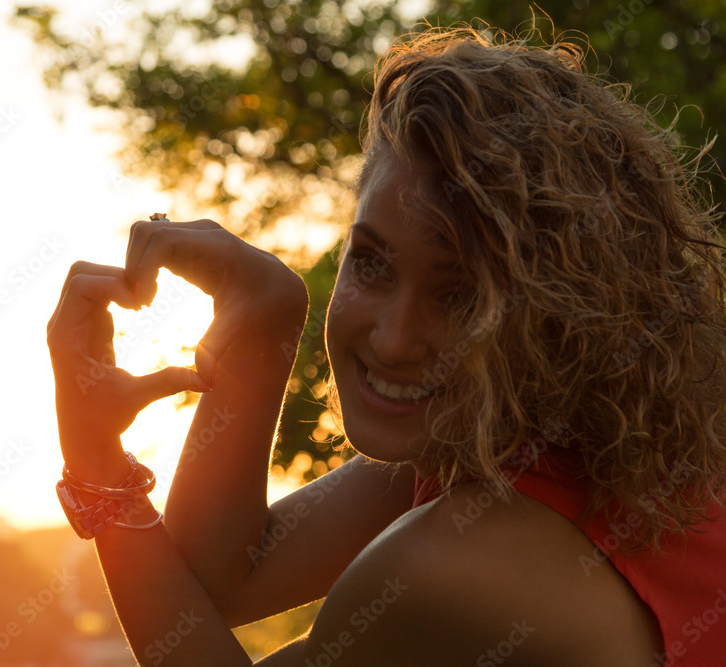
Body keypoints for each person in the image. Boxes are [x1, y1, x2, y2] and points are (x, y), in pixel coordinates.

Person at [46, 24, 726, 666]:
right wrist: (265, 318)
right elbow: (222, 577)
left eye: (459, 294)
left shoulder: (446, 563)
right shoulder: (553, 429)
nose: (396, 340)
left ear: (558, 302)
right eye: (371, 262)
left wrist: (96, 458)